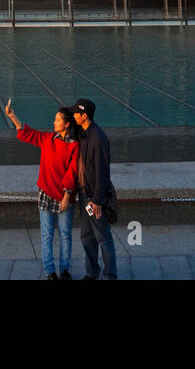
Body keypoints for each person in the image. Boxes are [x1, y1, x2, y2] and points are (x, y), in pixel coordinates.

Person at [4, 98, 80, 280]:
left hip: (64, 196)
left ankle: (65, 270)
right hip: (46, 193)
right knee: (47, 236)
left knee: (65, 235)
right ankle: (50, 271)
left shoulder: (73, 145)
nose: (53, 122)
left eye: (57, 120)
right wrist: (12, 116)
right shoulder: (48, 139)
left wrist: (67, 196)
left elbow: (73, 171)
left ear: (67, 124)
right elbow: (27, 133)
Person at [70, 97, 117, 280]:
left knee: (103, 237)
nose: (73, 115)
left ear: (84, 115)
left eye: (76, 112)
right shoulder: (82, 133)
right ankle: (92, 272)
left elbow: (103, 173)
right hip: (83, 194)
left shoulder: (98, 138)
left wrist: (97, 200)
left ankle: (110, 275)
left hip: (94, 196)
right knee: (86, 236)